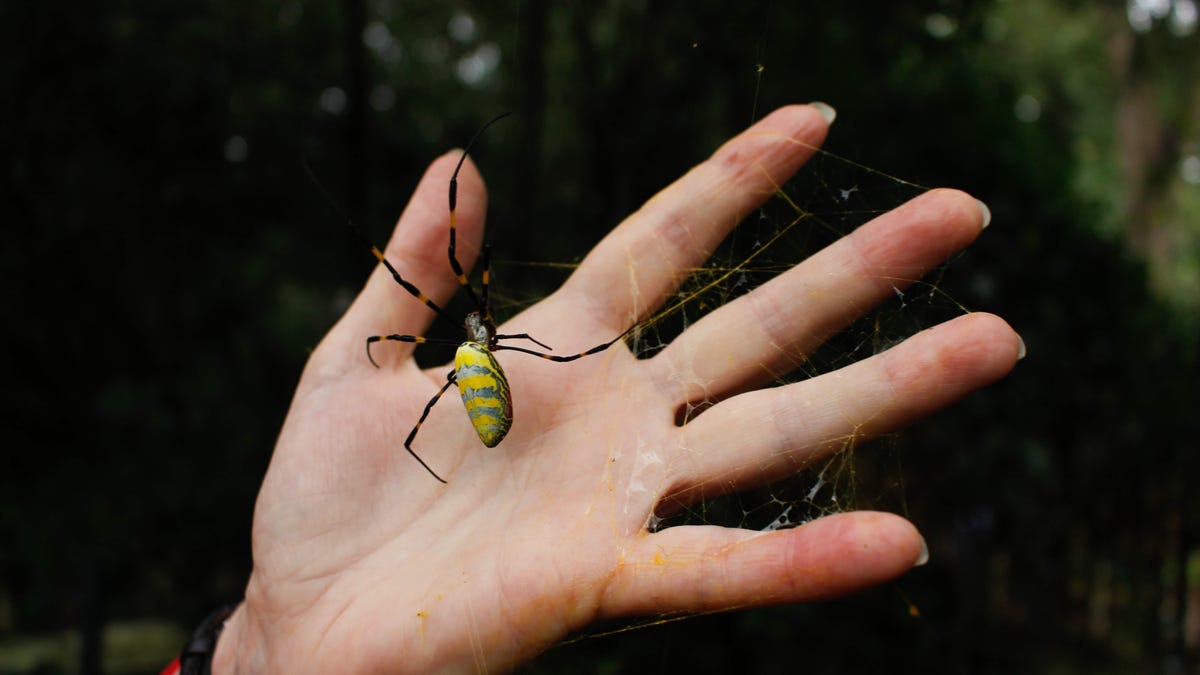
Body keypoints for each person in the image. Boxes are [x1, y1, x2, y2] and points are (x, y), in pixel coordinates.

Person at [176, 103, 1023, 673]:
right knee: (482, 353)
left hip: (483, 383)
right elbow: (502, 335)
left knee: (486, 355)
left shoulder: (483, 345)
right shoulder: (484, 343)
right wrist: (267, 650)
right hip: (482, 380)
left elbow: (513, 336)